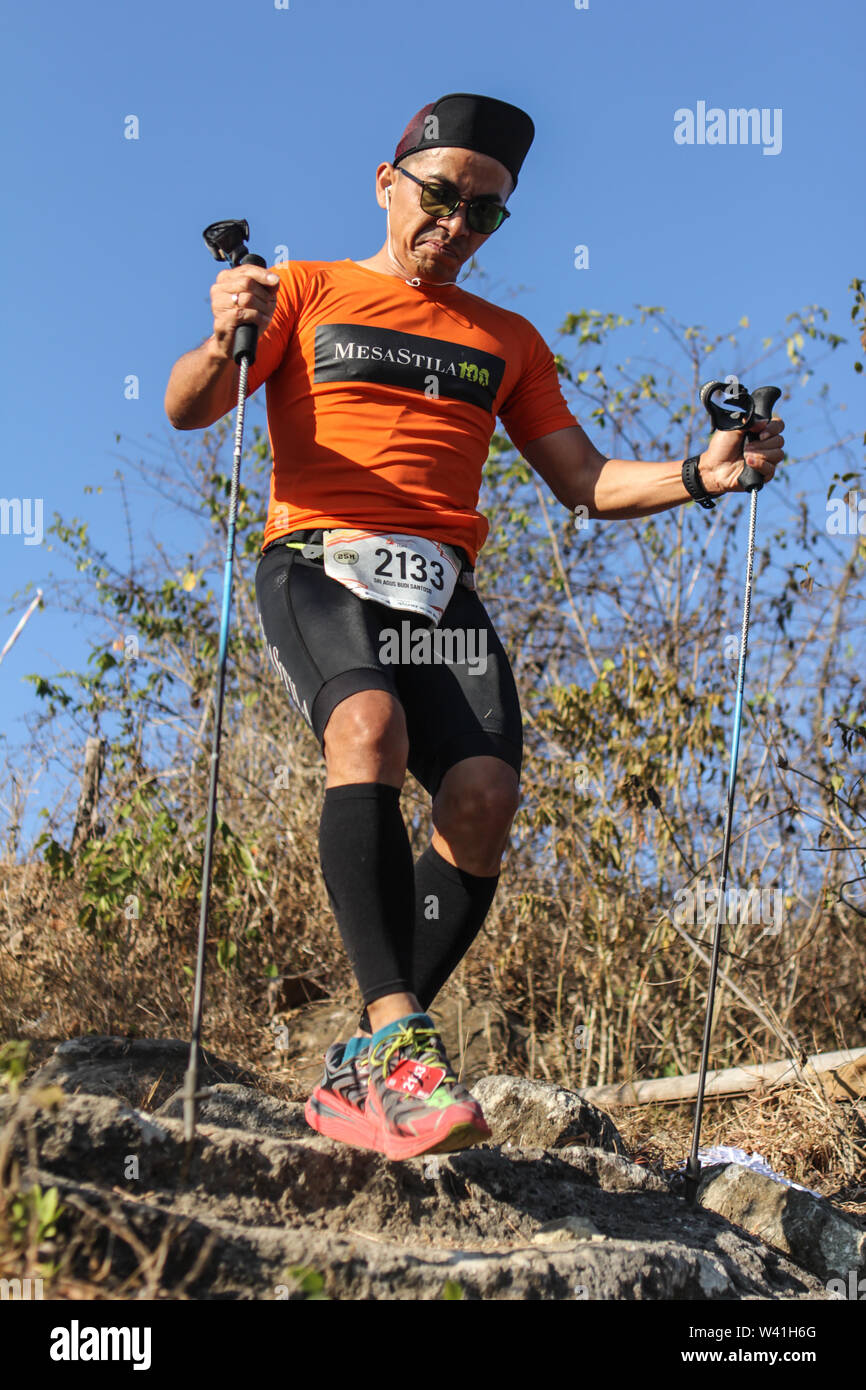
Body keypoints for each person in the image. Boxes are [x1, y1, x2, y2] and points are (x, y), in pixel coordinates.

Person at [164, 92, 785, 1162]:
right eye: (440, 197)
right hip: (318, 559)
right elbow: (188, 406)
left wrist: (702, 473)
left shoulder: (504, 339)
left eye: (484, 213)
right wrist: (228, 333)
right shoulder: (304, 288)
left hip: (438, 589)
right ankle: (403, 1043)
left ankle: (367, 1062)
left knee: (483, 796)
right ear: (386, 183)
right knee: (366, 727)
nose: (454, 225)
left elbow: (583, 481)